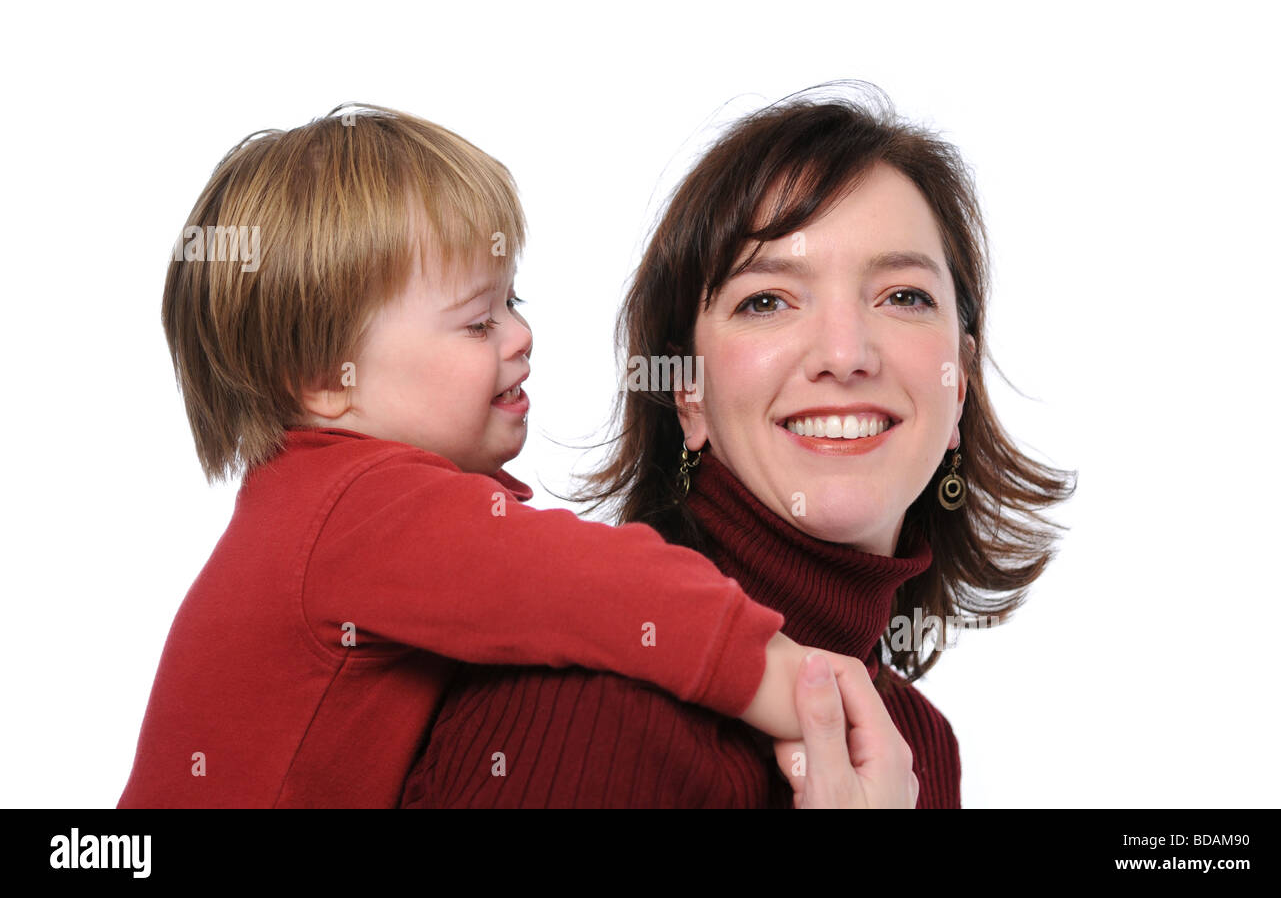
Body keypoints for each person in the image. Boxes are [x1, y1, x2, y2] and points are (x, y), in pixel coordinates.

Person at [118, 103, 878, 808]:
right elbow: (590, 585)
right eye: (477, 323)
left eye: (513, 303)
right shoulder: (361, 504)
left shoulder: (309, 508)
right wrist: (783, 678)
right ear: (323, 378)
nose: (520, 337)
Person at [401, 85, 1077, 808]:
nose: (845, 354)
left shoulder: (918, 747)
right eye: (767, 301)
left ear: (960, 386)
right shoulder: (596, 697)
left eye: (903, 296)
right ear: (689, 394)